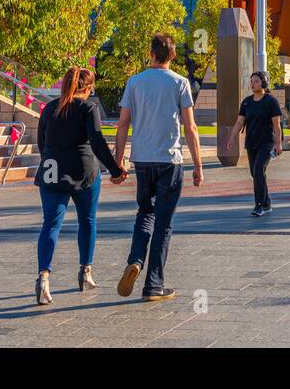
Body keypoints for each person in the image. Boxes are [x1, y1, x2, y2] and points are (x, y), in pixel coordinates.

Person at [114, 32, 204, 303]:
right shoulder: (180, 83)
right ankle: (153, 285)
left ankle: (136, 259)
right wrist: (198, 165)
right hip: (169, 161)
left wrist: (119, 160)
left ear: (151, 53)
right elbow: (190, 128)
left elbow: (122, 124)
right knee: (163, 224)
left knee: (145, 212)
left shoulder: (135, 82)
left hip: (142, 160)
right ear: (172, 56)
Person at [33, 66, 127, 306]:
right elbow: (96, 141)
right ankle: (85, 272)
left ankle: (43, 276)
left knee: (51, 224)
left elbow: (42, 143)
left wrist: (54, 158)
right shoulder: (88, 108)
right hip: (83, 172)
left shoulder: (50, 108)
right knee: (87, 221)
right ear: (88, 87)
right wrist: (115, 169)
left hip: (52, 172)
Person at [229, 71, 284, 216]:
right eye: (251, 81)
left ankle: (259, 205)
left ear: (264, 83)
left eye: (256, 81)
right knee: (256, 173)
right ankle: (267, 203)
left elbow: (277, 125)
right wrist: (232, 138)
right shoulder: (247, 102)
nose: (253, 84)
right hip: (251, 143)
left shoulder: (271, 101)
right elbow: (240, 121)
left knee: (258, 171)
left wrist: (278, 144)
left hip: (266, 143)